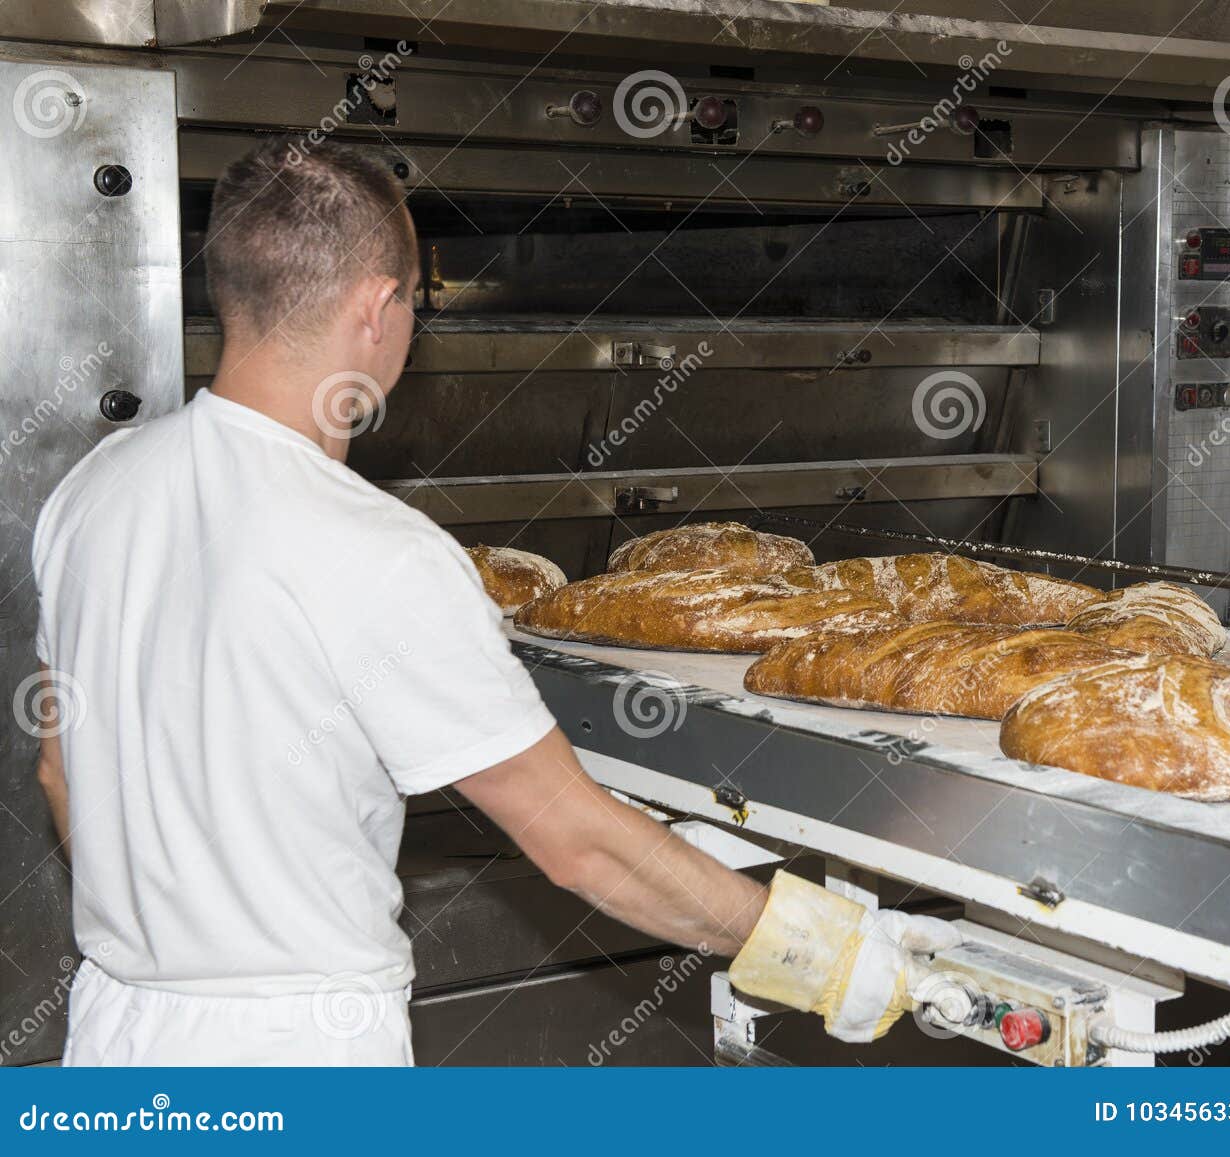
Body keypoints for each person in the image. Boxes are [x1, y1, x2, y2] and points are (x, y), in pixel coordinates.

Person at [31, 138, 957, 1065]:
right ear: (378, 308)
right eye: (412, 305)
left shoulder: (95, 487)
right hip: (293, 1044)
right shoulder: (378, 549)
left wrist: (169, 926)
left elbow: (61, 774)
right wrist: (832, 956)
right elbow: (579, 843)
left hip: (116, 1027)